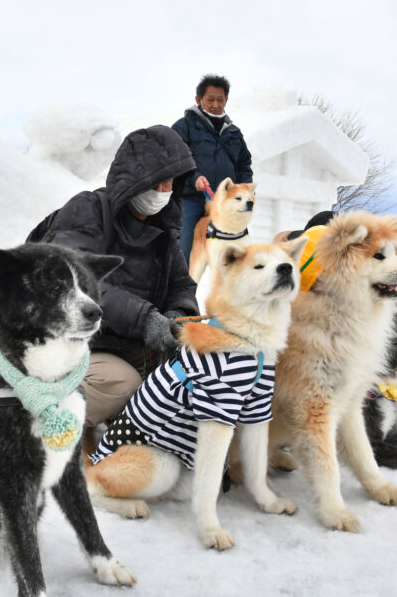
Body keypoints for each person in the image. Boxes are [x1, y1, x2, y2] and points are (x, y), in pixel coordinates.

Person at [44, 125, 200, 426]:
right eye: (158, 180)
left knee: (194, 379)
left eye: (171, 182)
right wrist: (146, 320)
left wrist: (178, 314)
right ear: (136, 178)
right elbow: (75, 279)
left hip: (130, 346)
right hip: (73, 342)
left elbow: (181, 284)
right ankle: (37, 416)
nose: (164, 190)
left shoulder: (162, 232)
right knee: (122, 385)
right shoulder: (88, 209)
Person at [172, 74, 253, 262]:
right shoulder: (184, 126)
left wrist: (244, 188)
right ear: (198, 99)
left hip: (226, 203)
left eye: (220, 99)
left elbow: (244, 164)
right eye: (210, 99)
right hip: (191, 199)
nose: (216, 104)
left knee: (235, 252)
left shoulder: (234, 132)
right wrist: (194, 178)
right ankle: (178, 279)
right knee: (184, 247)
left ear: (226, 100)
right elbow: (176, 159)